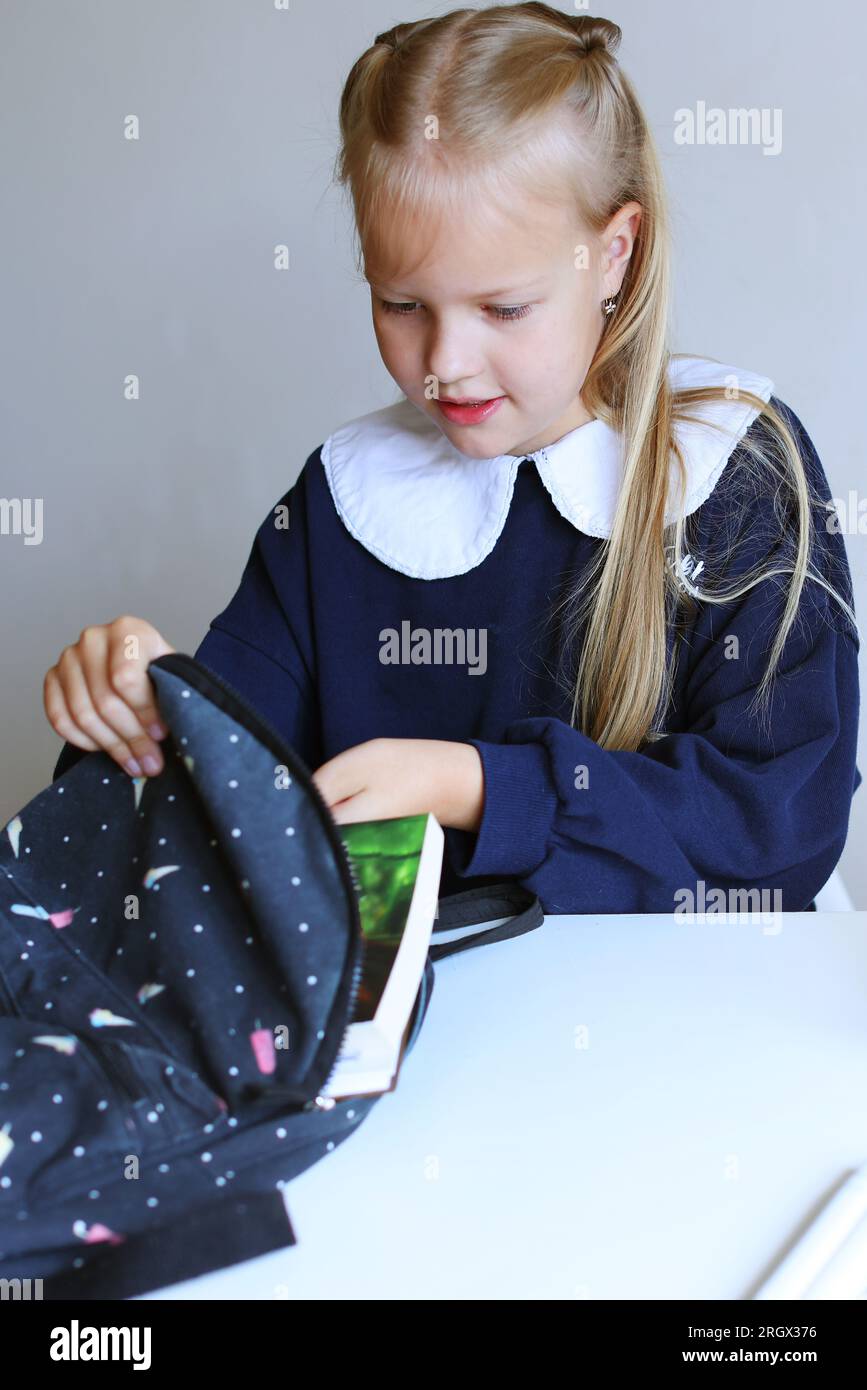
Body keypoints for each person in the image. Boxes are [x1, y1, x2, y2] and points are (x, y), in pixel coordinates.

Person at [43, 5, 861, 915]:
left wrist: (475, 785)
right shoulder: (339, 502)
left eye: (503, 308)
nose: (444, 363)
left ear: (613, 254)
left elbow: (778, 826)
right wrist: (137, 713)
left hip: (695, 1022)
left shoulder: (732, 471)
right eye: (401, 304)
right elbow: (209, 831)